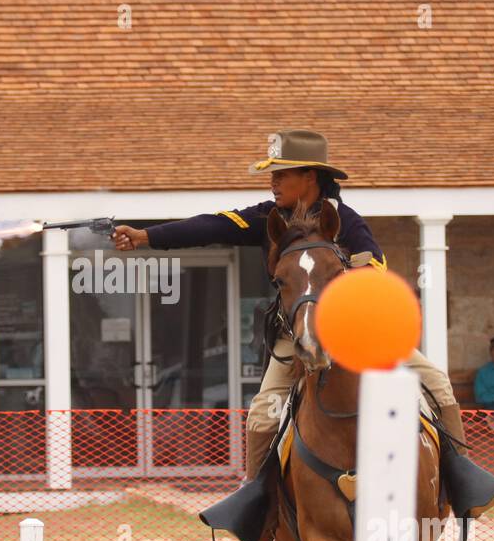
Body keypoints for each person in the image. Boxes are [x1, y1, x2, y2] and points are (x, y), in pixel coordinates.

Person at [113, 129, 469, 484]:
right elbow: (213, 225)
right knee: (262, 415)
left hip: (357, 335)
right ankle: (253, 502)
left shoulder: (344, 219)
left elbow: (376, 268)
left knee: (437, 382)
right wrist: (147, 236)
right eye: (272, 175)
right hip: (294, 334)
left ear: (309, 176)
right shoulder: (270, 217)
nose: (273, 182)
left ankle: (463, 480)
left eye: (281, 174)